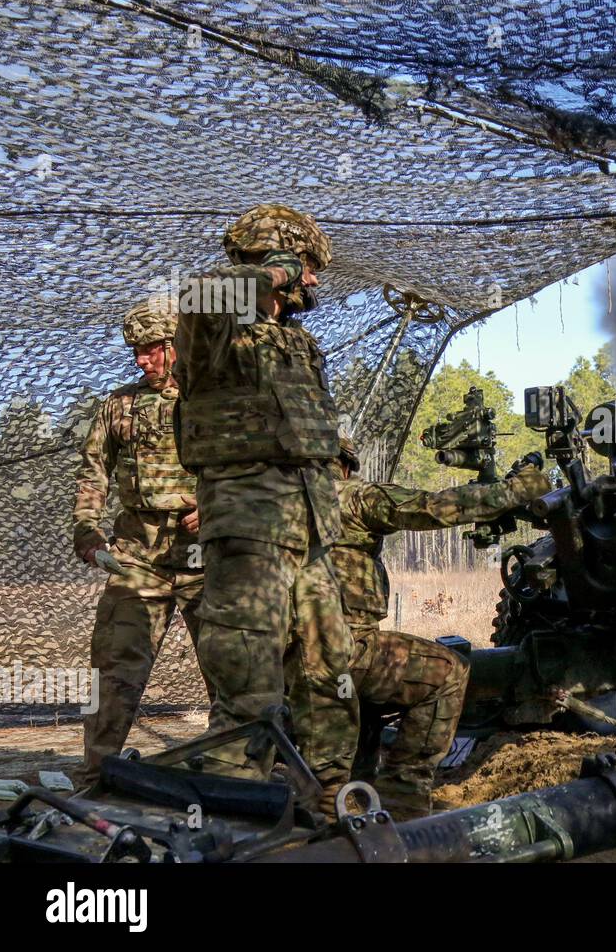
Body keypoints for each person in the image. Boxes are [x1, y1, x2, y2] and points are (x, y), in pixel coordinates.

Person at [172, 203, 356, 812]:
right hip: (250, 526)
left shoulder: (298, 343)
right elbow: (202, 296)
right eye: (306, 267)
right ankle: (227, 820)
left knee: (328, 672)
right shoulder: (215, 327)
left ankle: (325, 804)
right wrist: (277, 270)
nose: (312, 282)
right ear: (274, 260)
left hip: (309, 527)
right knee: (250, 684)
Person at [329, 435, 548, 810]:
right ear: (345, 465)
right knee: (449, 672)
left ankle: (348, 797)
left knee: (363, 701)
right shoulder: (349, 496)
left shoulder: (269, 506)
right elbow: (436, 507)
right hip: (338, 648)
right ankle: (403, 802)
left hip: (278, 652)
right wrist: (515, 490)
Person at [73, 294, 207, 785]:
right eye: (137, 351)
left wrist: (214, 506)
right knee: (112, 673)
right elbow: (93, 473)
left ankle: (245, 776)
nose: (142, 359)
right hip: (138, 558)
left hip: (207, 560)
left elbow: (255, 472)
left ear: (179, 344)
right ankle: (95, 776)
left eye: (153, 348)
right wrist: (86, 530)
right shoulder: (120, 406)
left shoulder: (213, 400)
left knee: (238, 675)